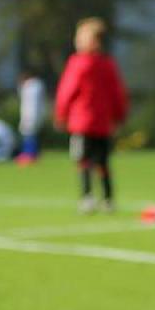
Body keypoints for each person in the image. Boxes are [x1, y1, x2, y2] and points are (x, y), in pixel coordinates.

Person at [53, 18, 128, 214]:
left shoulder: (78, 64)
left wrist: (61, 114)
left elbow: (67, 91)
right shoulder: (108, 64)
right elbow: (118, 93)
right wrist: (119, 117)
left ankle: (88, 197)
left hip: (82, 124)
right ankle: (108, 199)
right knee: (102, 162)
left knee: (83, 161)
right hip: (103, 124)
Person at [17, 70, 47, 163]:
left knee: (29, 136)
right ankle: (33, 154)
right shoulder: (37, 86)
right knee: (32, 135)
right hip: (35, 115)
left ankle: (29, 154)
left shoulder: (31, 87)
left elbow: (31, 105)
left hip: (30, 115)